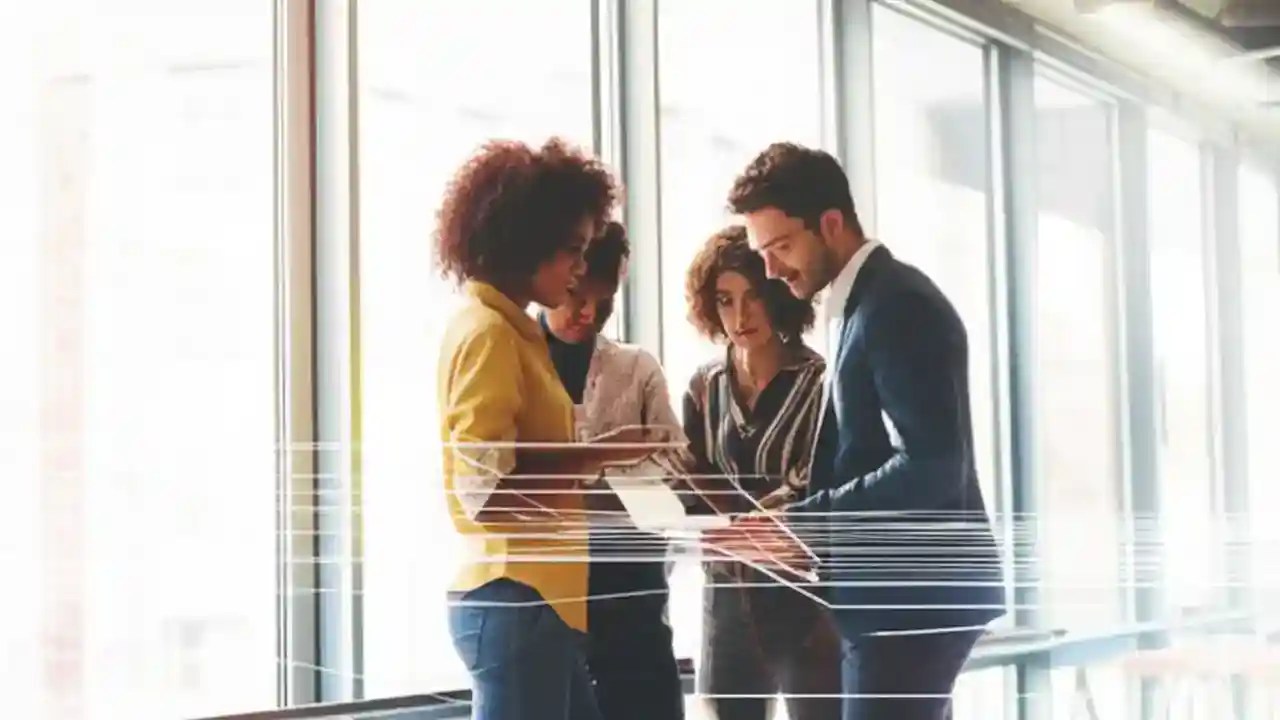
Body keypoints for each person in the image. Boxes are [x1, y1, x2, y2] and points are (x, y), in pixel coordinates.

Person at [725, 142, 1005, 720]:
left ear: (831, 224)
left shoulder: (897, 304)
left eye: (780, 246)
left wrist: (803, 522)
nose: (771, 268)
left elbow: (930, 466)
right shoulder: (863, 305)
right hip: (901, 602)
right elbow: (864, 455)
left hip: (912, 605)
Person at [436, 138, 660, 720]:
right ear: (526, 243)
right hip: (517, 599)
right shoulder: (490, 333)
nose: (581, 268)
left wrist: (598, 456)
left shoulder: (511, 331)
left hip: (540, 602)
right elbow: (483, 491)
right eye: (573, 251)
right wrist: (595, 458)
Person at [681, 225, 842, 720]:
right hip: (728, 596)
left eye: (753, 297)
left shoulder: (819, 383)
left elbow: (811, 488)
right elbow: (690, 481)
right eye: (726, 301)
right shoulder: (705, 386)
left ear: (778, 296)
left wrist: (737, 527)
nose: (741, 315)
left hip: (803, 597)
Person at [539, 220, 685, 720]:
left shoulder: (637, 366)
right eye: (578, 295)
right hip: (551, 595)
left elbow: (675, 461)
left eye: (605, 300)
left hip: (634, 592)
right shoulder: (516, 362)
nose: (588, 313)